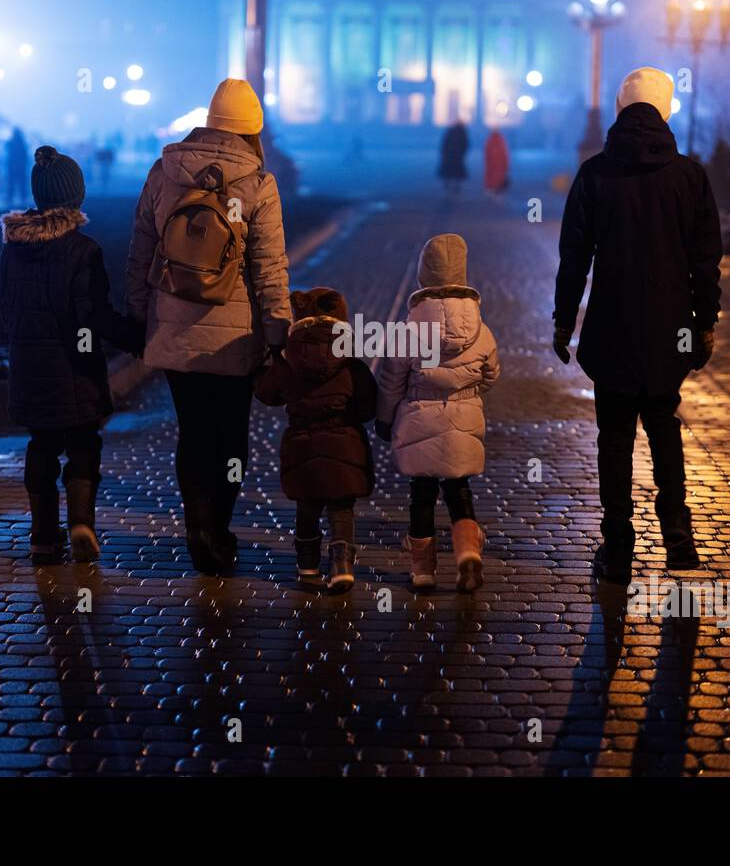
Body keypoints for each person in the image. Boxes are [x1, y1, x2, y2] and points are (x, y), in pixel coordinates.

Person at [552, 66, 723, 586]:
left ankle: (619, 544)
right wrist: (705, 323)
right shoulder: (690, 176)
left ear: (620, 109)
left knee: (615, 437)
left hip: (612, 326)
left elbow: (574, 255)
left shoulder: (596, 174)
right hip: (669, 327)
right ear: (667, 109)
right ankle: (679, 537)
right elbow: (705, 259)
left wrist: (564, 321)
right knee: (664, 426)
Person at [125, 78, 292, 575]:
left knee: (192, 433)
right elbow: (269, 269)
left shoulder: (164, 172)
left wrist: (138, 316)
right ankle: (218, 527)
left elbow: (139, 251)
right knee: (230, 439)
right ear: (253, 130)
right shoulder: (258, 184)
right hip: (235, 340)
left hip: (173, 332)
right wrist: (279, 335)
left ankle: (197, 523)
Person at [0, 147, 143, 561]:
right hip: (74, 370)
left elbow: (4, 303)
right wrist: (135, 337)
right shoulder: (84, 249)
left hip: (28, 366)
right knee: (82, 441)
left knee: (41, 444)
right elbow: (92, 313)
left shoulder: (12, 247)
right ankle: (80, 523)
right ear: (76, 196)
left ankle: (43, 536)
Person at [376, 234, 500, 592]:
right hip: (463, 416)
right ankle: (466, 555)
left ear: (422, 276)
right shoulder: (481, 332)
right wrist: (467, 392)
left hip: (418, 418)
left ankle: (423, 570)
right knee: (459, 490)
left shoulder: (408, 331)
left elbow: (391, 381)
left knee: (422, 495)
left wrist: (384, 420)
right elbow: (491, 375)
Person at [254, 287, 377, 592]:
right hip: (344, 445)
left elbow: (265, 393)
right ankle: (342, 564)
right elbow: (368, 406)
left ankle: (308, 566)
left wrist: (273, 359)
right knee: (341, 509)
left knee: (307, 508)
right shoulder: (351, 367)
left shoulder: (288, 365)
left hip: (302, 447)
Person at [437, 120, 468, 194]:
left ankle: (448, 185)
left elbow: (444, 143)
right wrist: (462, 153)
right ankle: (456, 186)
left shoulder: (451, 131)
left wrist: (444, 153)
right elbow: (465, 144)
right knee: (456, 171)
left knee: (449, 170)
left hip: (450, 155)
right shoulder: (462, 132)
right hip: (457, 155)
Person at [483, 128, 510, 197]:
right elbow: (505, 154)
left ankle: (492, 192)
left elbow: (487, 153)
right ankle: (495, 192)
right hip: (498, 165)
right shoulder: (501, 141)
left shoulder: (490, 141)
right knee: (498, 179)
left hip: (493, 165)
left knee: (493, 179)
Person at [5, 128, 28, 205]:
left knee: (12, 182)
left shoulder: (11, 142)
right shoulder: (22, 142)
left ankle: (10, 197)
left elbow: (7, 148)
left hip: (12, 166)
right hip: (20, 166)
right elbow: (25, 155)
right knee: (21, 183)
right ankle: (23, 198)